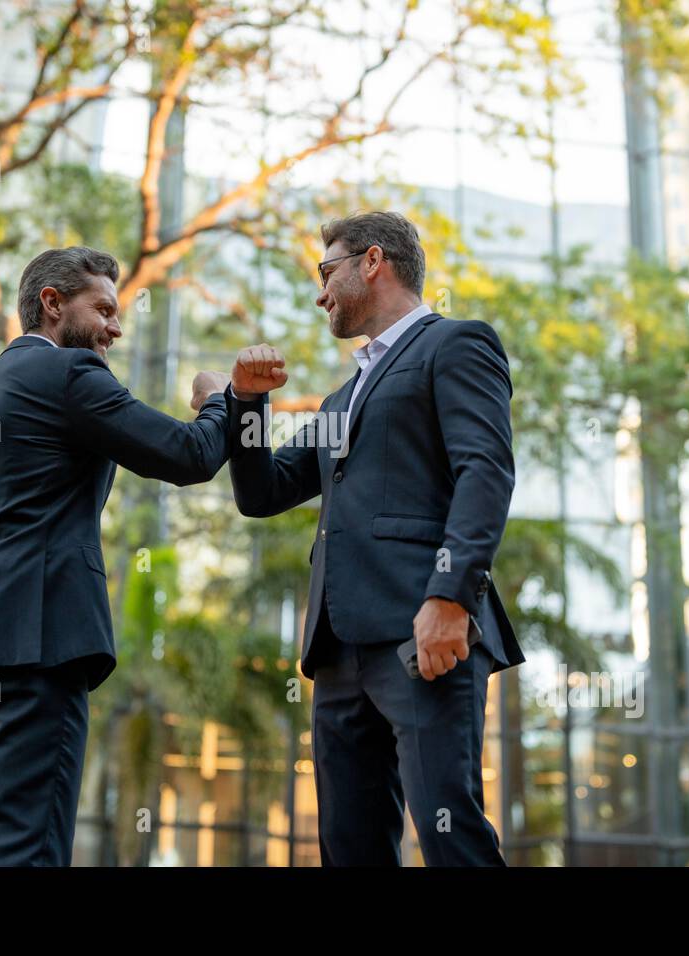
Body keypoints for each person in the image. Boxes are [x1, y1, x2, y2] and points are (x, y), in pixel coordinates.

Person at [0, 246, 231, 866]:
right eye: (105, 310)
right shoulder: (71, 377)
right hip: (35, 653)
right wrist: (220, 400)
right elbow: (189, 455)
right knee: (23, 852)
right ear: (52, 303)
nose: (117, 326)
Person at [223, 211, 523, 866]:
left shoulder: (456, 344)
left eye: (325, 271)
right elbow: (263, 492)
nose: (319, 291)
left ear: (372, 261)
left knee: (450, 836)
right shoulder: (341, 401)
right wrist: (245, 404)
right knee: (349, 848)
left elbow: (486, 473)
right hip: (337, 650)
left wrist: (450, 598)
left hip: (423, 632)